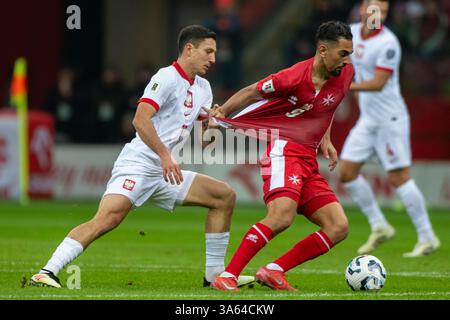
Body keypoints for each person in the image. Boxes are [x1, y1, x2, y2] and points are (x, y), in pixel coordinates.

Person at [30, 25, 253, 289]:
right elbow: (140, 119)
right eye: (208, 51)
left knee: (224, 196)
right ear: (189, 49)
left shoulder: (203, 87)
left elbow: (204, 140)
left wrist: (210, 126)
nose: (213, 59)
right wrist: (164, 155)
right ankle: (46, 271)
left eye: (215, 53)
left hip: (166, 171)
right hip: (140, 164)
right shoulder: (166, 77)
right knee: (107, 220)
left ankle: (215, 275)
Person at [210, 20, 354, 292]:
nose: (347, 61)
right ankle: (227, 276)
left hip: (309, 159)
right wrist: (223, 113)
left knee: (338, 226)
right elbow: (251, 91)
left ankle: (273, 271)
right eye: (343, 54)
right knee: (281, 216)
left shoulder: (345, 74)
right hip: (284, 150)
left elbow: (330, 106)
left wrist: (326, 138)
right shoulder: (293, 77)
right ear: (323, 51)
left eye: (350, 54)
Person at [339, 0, 440, 257]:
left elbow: (378, 82)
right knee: (347, 172)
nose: (378, 15)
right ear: (362, 10)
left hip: (390, 118)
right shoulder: (349, 34)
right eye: (374, 10)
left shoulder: (388, 43)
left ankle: (427, 236)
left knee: (399, 177)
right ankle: (379, 225)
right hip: (369, 118)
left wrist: (343, 88)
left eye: (383, 12)